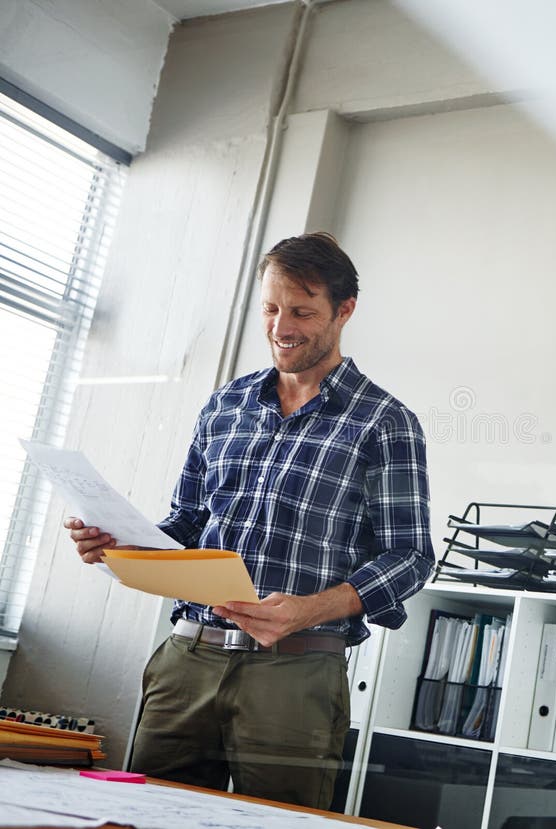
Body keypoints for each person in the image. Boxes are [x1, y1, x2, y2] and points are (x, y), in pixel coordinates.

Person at [65, 232, 434, 810]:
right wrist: (119, 547)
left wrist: (309, 610)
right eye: (270, 308)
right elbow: (187, 524)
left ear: (344, 311)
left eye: (302, 311)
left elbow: (410, 557)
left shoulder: (385, 423)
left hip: (298, 672)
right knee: (146, 819)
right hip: (187, 659)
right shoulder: (224, 406)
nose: (281, 326)